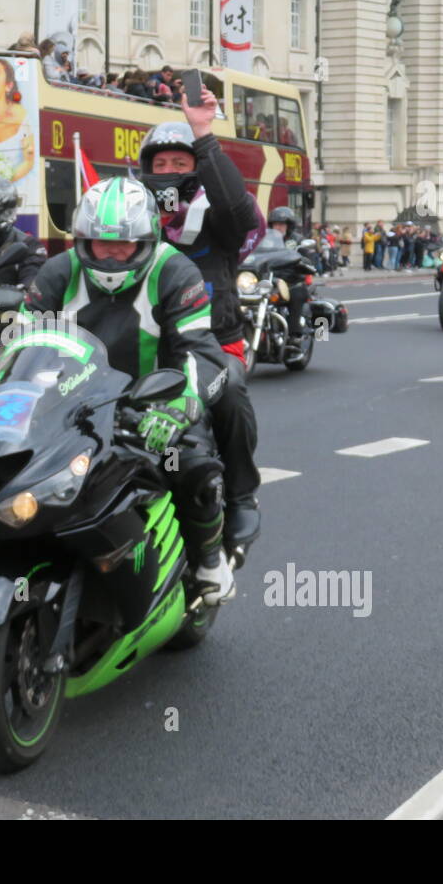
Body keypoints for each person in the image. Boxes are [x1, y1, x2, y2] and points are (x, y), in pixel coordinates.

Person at [21, 176, 235, 605]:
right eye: (102, 244)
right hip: (71, 406)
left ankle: (211, 560)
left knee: (189, 466)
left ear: (148, 240)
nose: (113, 254)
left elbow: (200, 349)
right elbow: (20, 346)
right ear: (84, 240)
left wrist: (179, 407)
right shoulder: (57, 271)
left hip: (153, 405)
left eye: (124, 245)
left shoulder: (175, 271)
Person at [138, 92, 263, 553]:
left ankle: (241, 493)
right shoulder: (131, 217)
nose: (170, 171)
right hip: (144, 344)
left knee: (228, 391)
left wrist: (205, 135)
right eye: (162, 163)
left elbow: (238, 207)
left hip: (211, 344)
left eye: (180, 162)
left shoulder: (219, 216)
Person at [267, 205, 315, 352]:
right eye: (275, 224)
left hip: (291, 281)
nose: (278, 227)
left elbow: (308, 258)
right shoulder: (266, 240)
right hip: (269, 280)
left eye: (281, 224)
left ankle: (295, 334)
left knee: (297, 294)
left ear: (289, 226)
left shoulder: (297, 240)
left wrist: (303, 262)